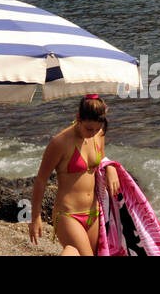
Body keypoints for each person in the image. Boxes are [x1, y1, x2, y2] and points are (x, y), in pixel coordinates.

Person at [28, 94, 120, 256]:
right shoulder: (60, 143)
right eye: (88, 129)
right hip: (68, 214)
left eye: (97, 129)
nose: (93, 133)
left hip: (94, 213)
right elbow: (41, 180)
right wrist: (35, 217)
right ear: (78, 118)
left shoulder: (99, 135)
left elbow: (102, 161)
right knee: (76, 251)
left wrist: (111, 168)